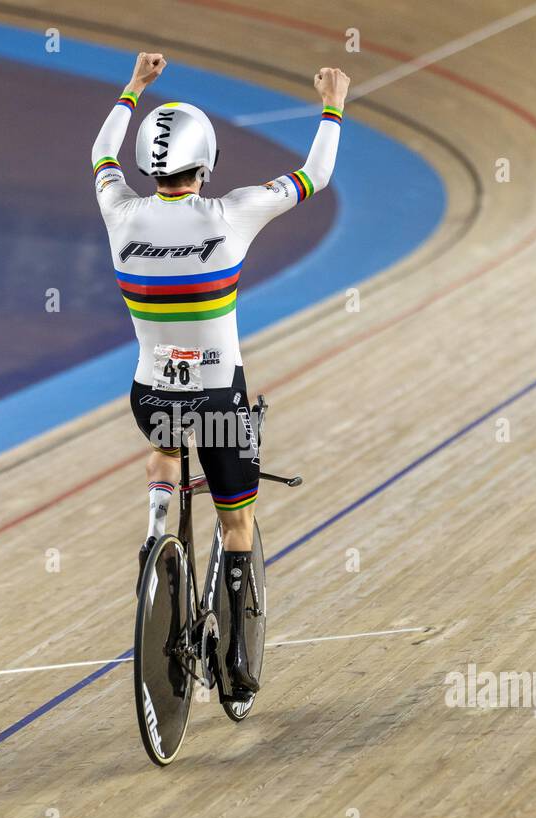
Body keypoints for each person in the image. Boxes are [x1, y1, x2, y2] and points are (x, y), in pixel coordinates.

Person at [91, 52, 349, 695]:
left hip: (151, 394)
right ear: (204, 165)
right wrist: (333, 102)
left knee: (164, 448)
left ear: (152, 167)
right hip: (219, 399)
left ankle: (156, 538)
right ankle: (235, 664)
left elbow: (101, 158)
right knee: (236, 523)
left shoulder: (118, 211)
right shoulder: (233, 212)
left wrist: (133, 88)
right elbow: (315, 175)